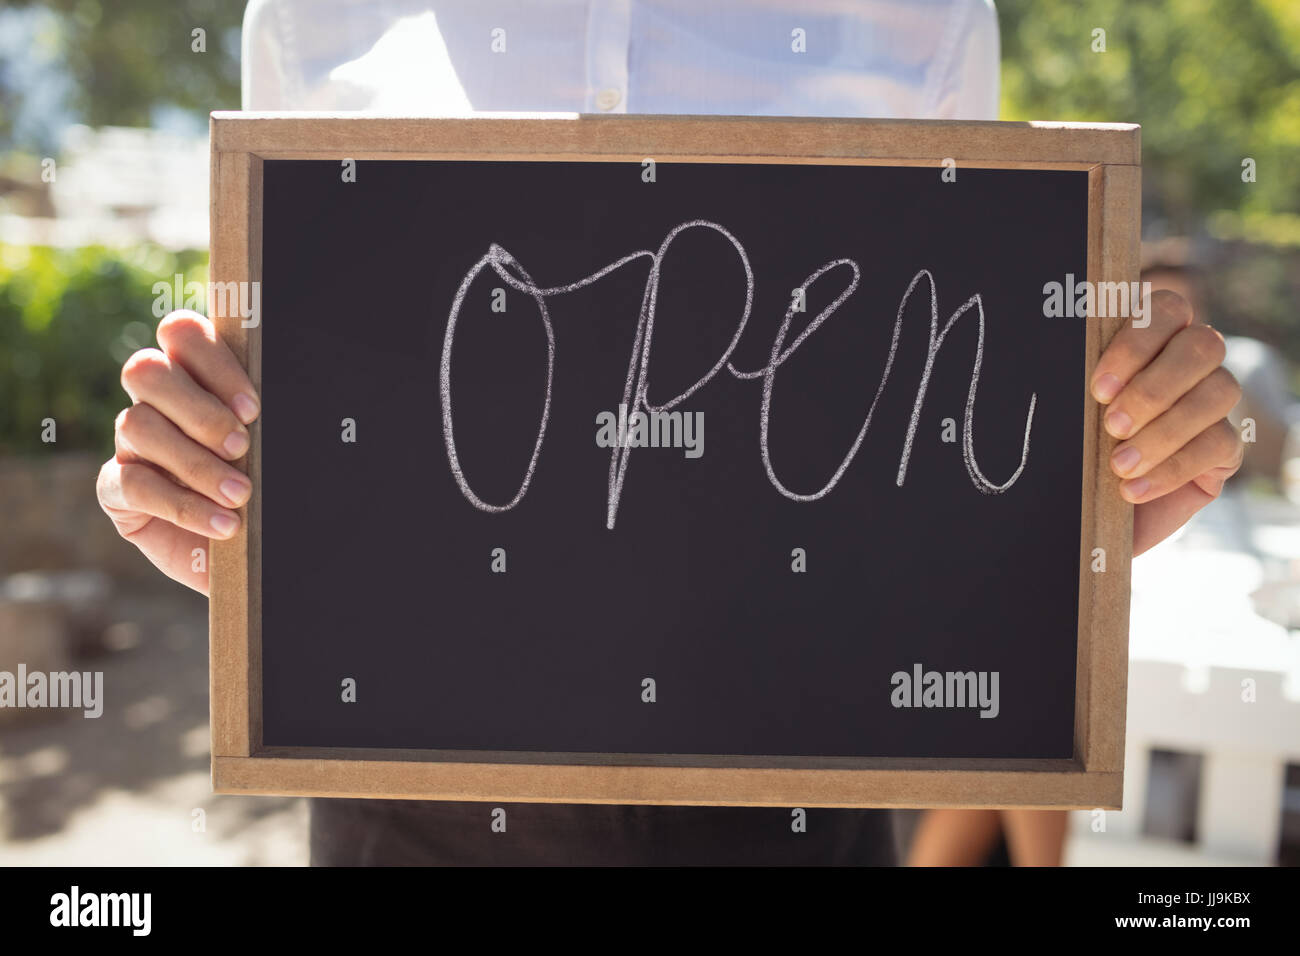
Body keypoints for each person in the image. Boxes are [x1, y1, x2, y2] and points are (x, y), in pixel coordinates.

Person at [95, 0, 1244, 866]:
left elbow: (941, 375)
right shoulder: (313, 14)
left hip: (797, 797)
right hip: (408, 795)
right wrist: (191, 476)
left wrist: (1067, 506)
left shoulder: (927, 14)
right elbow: (286, 364)